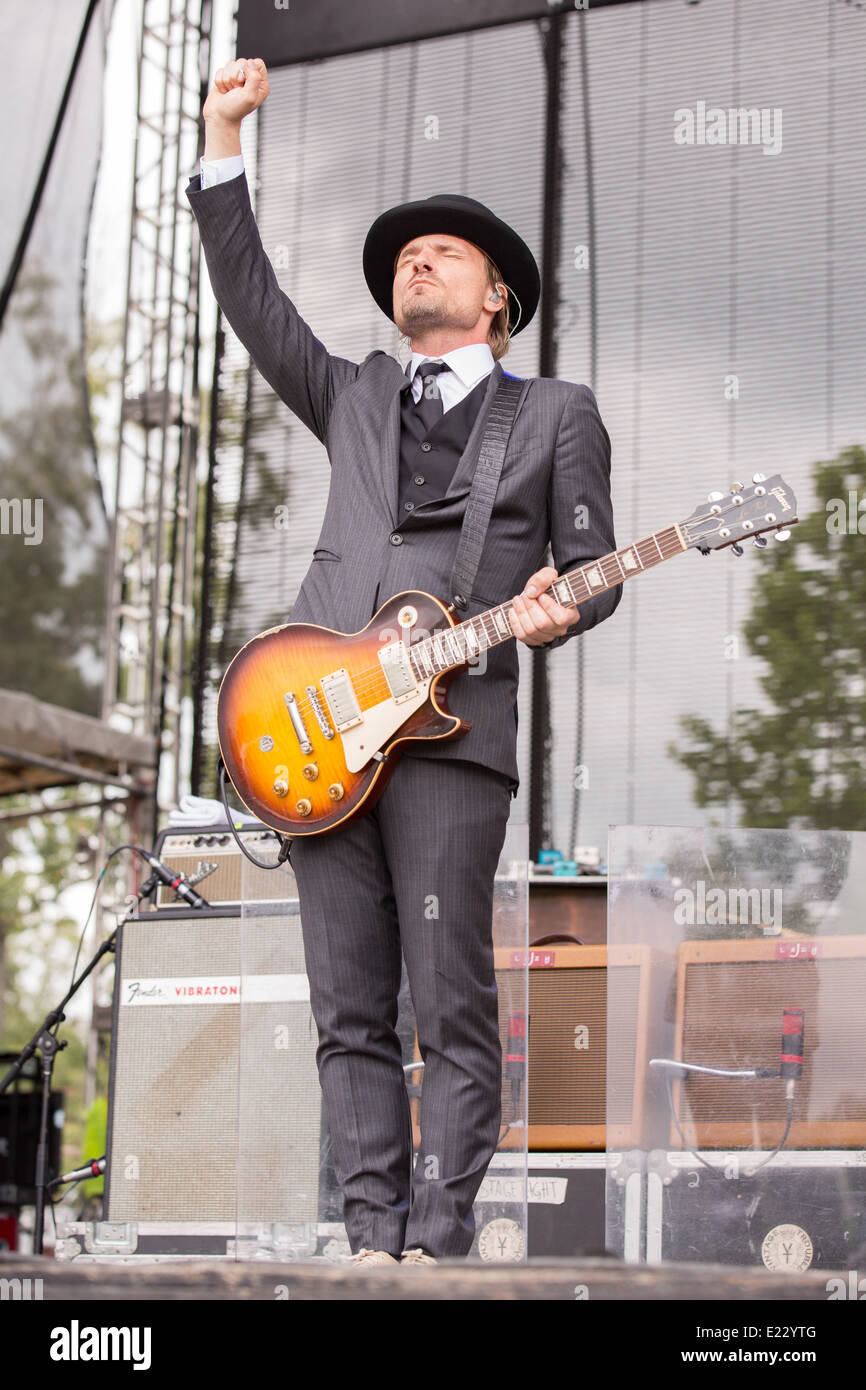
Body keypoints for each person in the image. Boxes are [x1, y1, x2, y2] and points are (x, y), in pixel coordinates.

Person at [188, 57, 621, 1265]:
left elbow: (594, 566)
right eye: (402, 255)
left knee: (450, 1001)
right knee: (347, 1012)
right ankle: (368, 1236)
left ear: (496, 300)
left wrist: (556, 611)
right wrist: (223, 142)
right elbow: (253, 299)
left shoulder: (551, 415)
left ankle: (436, 1238)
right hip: (318, 726)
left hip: (449, 732)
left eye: (443, 252)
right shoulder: (356, 392)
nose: (414, 261)